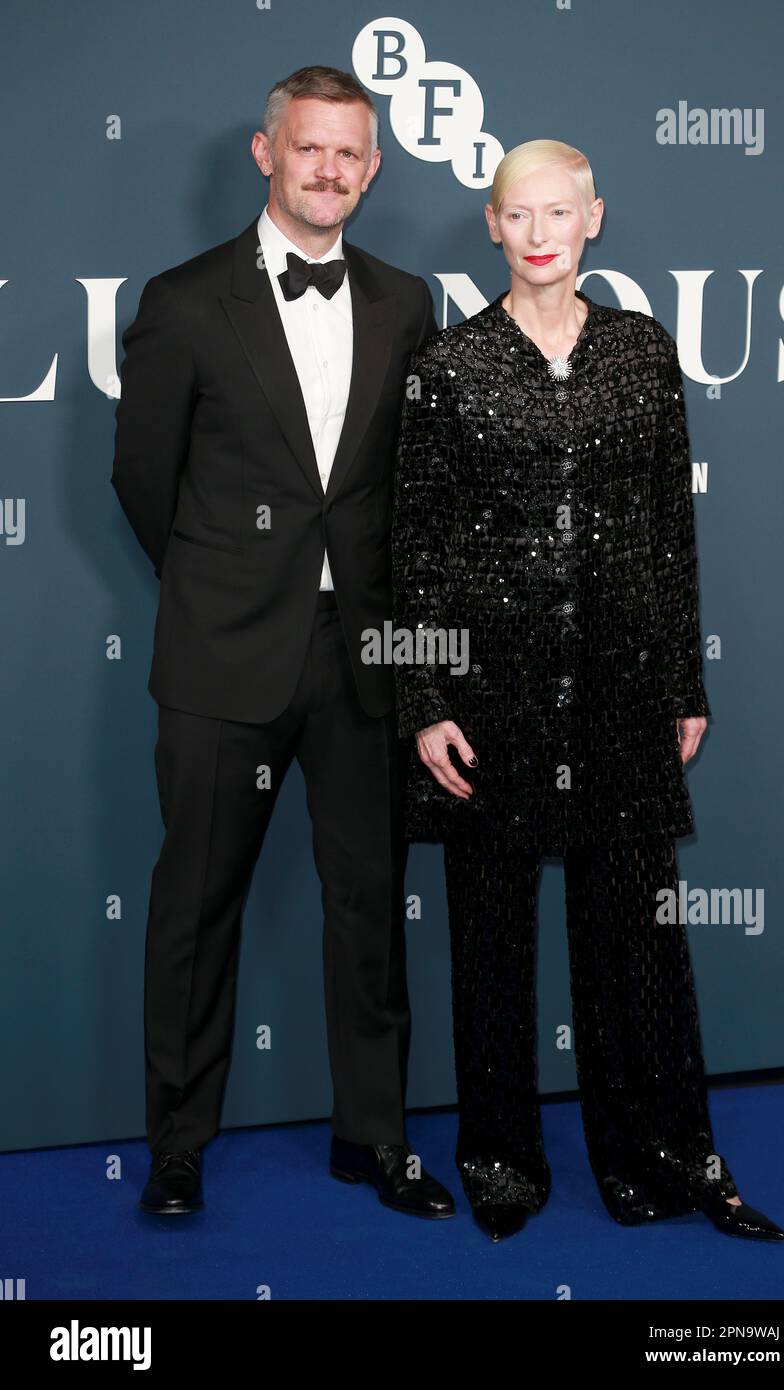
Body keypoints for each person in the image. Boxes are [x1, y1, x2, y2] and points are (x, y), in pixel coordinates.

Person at [390, 138, 784, 1244]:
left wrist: (680, 679)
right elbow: (411, 546)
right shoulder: (446, 365)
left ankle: (658, 1156)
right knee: (491, 934)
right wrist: (425, 699)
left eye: (557, 210)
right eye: (516, 213)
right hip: (489, 692)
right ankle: (501, 1161)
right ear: (490, 224)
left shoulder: (641, 351)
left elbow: (669, 528)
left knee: (637, 938)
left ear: (592, 218)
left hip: (619, 686)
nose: (537, 231)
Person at [111, 65, 453, 1222]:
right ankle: (177, 1146)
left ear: (371, 167)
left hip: (362, 655)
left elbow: (409, 490)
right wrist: (224, 585)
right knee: (194, 907)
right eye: (307, 148)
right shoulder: (184, 298)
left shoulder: (407, 302)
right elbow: (141, 479)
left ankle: (375, 1138)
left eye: (348, 153)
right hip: (220, 655)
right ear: (267, 153)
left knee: (370, 905)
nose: (327, 170)